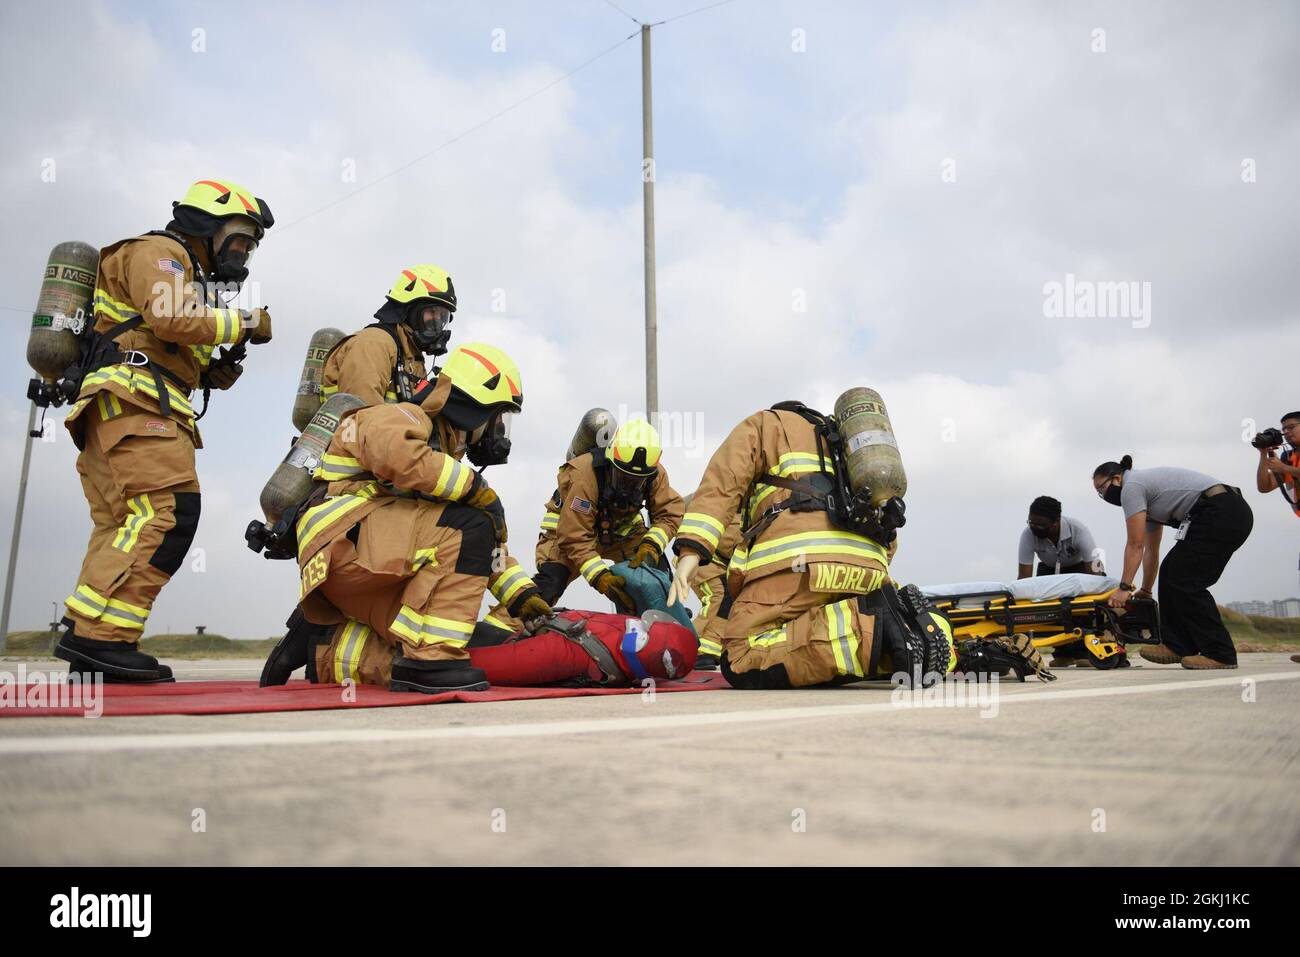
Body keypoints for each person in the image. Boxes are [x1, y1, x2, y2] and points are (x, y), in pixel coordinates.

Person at [56, 179, 274, 682]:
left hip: (124, 405)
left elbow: (170, 345)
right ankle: (99, 640)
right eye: (238, 238)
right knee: (168, 513)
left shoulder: (187, 275)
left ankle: (98, 635)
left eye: (250, 245)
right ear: (205, 225)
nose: (243, 251)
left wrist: (216, 369)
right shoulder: (162, 251)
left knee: (122, 524)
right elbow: (172, 318)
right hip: (134, 402)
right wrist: (242, 322)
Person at [284, 343, 549, 693]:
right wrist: (477, 487)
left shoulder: (439, 458)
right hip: (342, 542)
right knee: (468, 526)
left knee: (424, 633)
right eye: (498, 416)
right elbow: (397, 454)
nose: (498, 430)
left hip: (364, 566)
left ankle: (326, 649)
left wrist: (523, 598)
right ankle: (433, 661)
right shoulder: (404, 416)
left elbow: (486, 550)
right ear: (475, 406)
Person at [666, 399, 953, 689]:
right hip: (872, 574)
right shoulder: (845, 450)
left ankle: (872, 626)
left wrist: (691, 550)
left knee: (741, 656)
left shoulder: (767, 424)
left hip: (801, 569)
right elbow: (887, 535)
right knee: (808, 632)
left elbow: (722, 484)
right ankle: (921, 629)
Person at [263, 264, 458, 683]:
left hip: (378, 485)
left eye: (443, 318)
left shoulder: (413, 362)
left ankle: (312, 649)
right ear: (405, 308)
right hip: (344, 487)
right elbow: (364, 427)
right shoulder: (374, 344)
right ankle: (303, 644)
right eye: (430, 313)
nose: (437, 325)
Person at [475, 418, 684, 643]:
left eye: (636, 481)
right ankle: (495, 632)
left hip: (623, 537)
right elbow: (575, 537)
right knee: (550, 585)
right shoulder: (584, 475)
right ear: (611, 462)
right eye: (623, 477)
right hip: (568, 535)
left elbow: (669, 514)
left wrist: (651, 545)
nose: (628, 486)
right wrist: (600, 577)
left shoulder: (655, 474)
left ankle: (668, 636)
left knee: (656, 576)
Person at [1093, 455, 1253, 669]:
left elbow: (1134, 545)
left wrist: (1124, 588)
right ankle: (1178, 646)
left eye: (1102, 489)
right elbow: (1151, 550)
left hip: (1220, 511)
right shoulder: (1146, 500)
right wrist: (1146, 589)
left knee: (1185, 580)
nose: (1102, 496)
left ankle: (1219, 653)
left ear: (1116, 478)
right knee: (1171, 572)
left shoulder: (1132, 487)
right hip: (1223, 513)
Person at [320, 264, 456, 407]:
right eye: (432, 312)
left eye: (443, 315)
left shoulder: (409, 355)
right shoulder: (373, 344)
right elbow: (362, 418)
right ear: (410, 309)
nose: (437, 320)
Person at [1017, 496, 1103, 578]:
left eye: (1041, 525)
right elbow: (1024, 578)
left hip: (1080, 569)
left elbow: (1096, 572)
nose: (1035, 528)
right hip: (1047, 571)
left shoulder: (1079, 530)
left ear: (1057, 521)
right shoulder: (1028, 534)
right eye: (1031, 523)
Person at [1254, 411, 1300, 518]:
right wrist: (1264, 454)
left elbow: (1284, 468)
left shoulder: (1284, 465)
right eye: (1284, 429)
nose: (1286, 432)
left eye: (1291, 427)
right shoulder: (1288, 458)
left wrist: (1283, 468)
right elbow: (1264, 487)